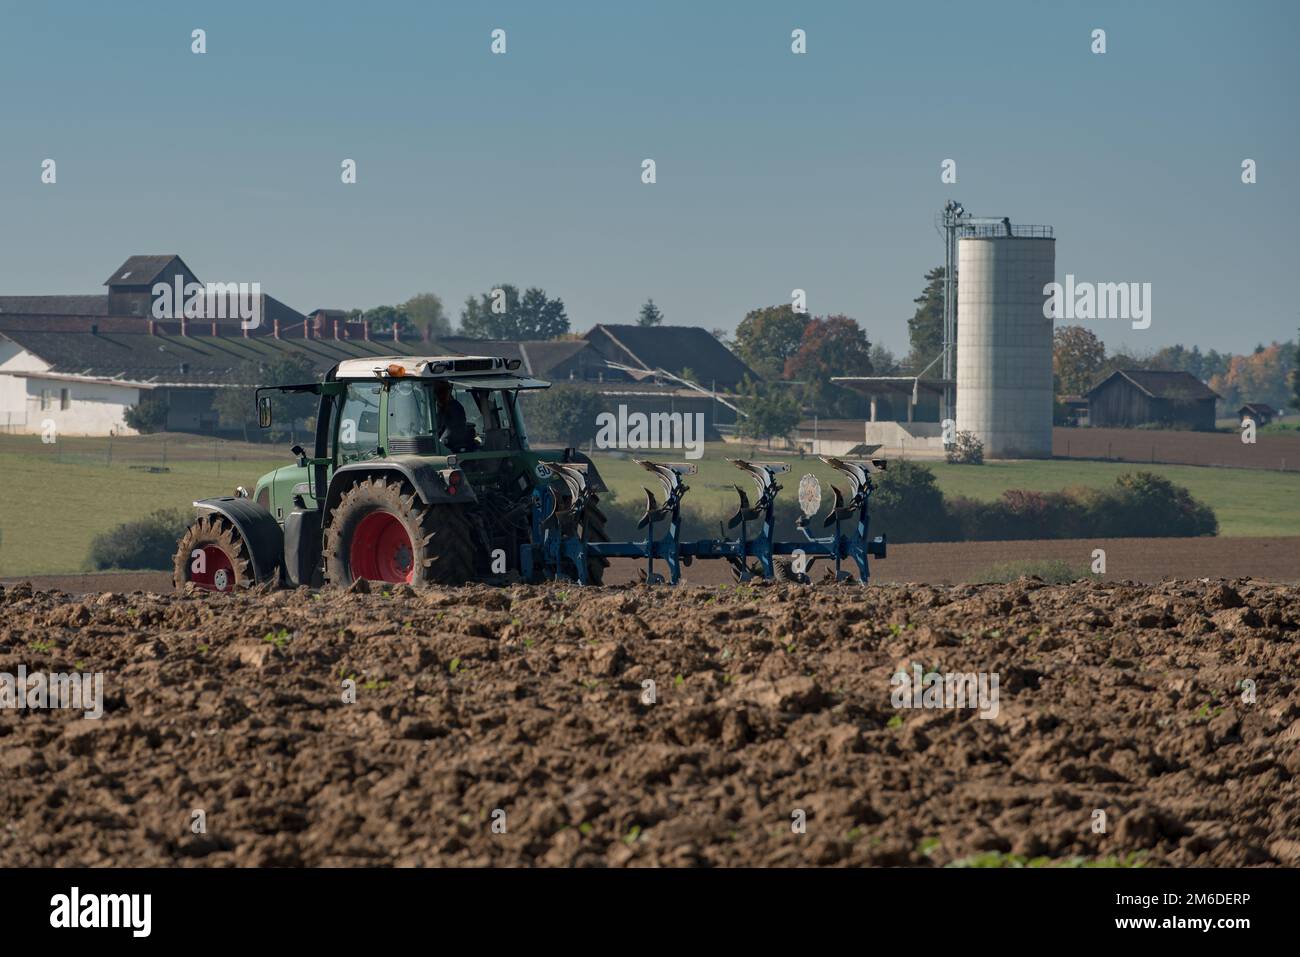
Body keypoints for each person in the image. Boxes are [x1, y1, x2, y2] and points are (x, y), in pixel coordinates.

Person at [433, 379, 475, 452]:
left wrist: (441, 440)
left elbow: (453, 429)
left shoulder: (454, 408)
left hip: (452, 448)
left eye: (440, 392)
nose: (438, 397)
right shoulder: (440, 408)